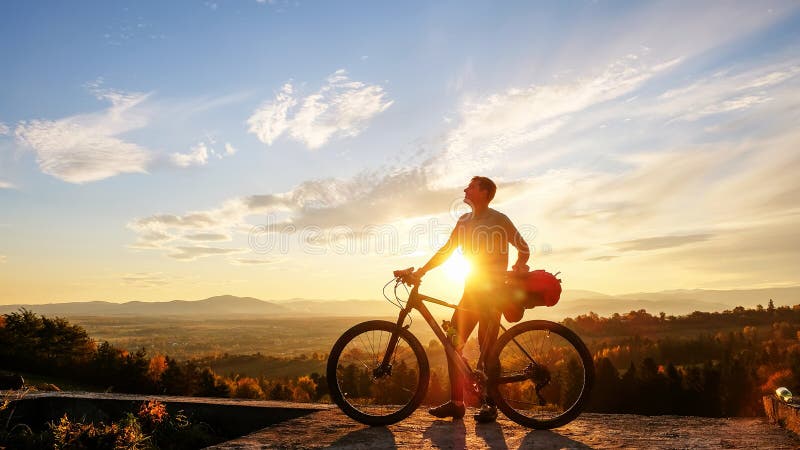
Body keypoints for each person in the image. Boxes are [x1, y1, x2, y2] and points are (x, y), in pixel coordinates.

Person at [412, 176, 530, 423]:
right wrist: (421, 271)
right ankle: (457, 403)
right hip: (470, 292)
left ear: (485, 192)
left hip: (494, 294)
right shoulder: (463, 221)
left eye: (472, 186)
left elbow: (523, 247)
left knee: (488, 352)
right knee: (452, 343)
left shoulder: (500, 220)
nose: (465, 189)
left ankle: (491, 406)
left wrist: (520, 265)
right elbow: (447, 250)